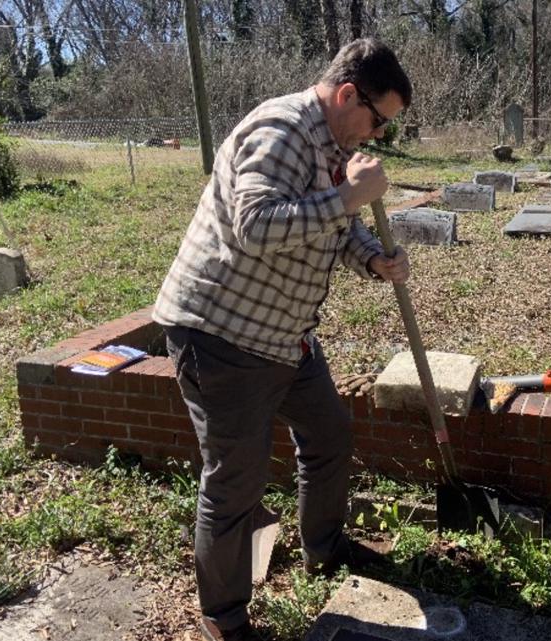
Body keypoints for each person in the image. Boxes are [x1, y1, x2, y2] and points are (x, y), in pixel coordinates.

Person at [152, 39, 413, 641]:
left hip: (285, 336)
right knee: (234, 479)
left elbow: (330, 226)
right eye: (377, 121)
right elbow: (256, 224)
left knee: (328, 435)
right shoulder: (283, 128)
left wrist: (373, 260)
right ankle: (225, 616)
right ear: (348, 94)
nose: (375, 136)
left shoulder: (333, 144)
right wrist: (349, 195)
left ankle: (323, 547)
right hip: (223, 334)